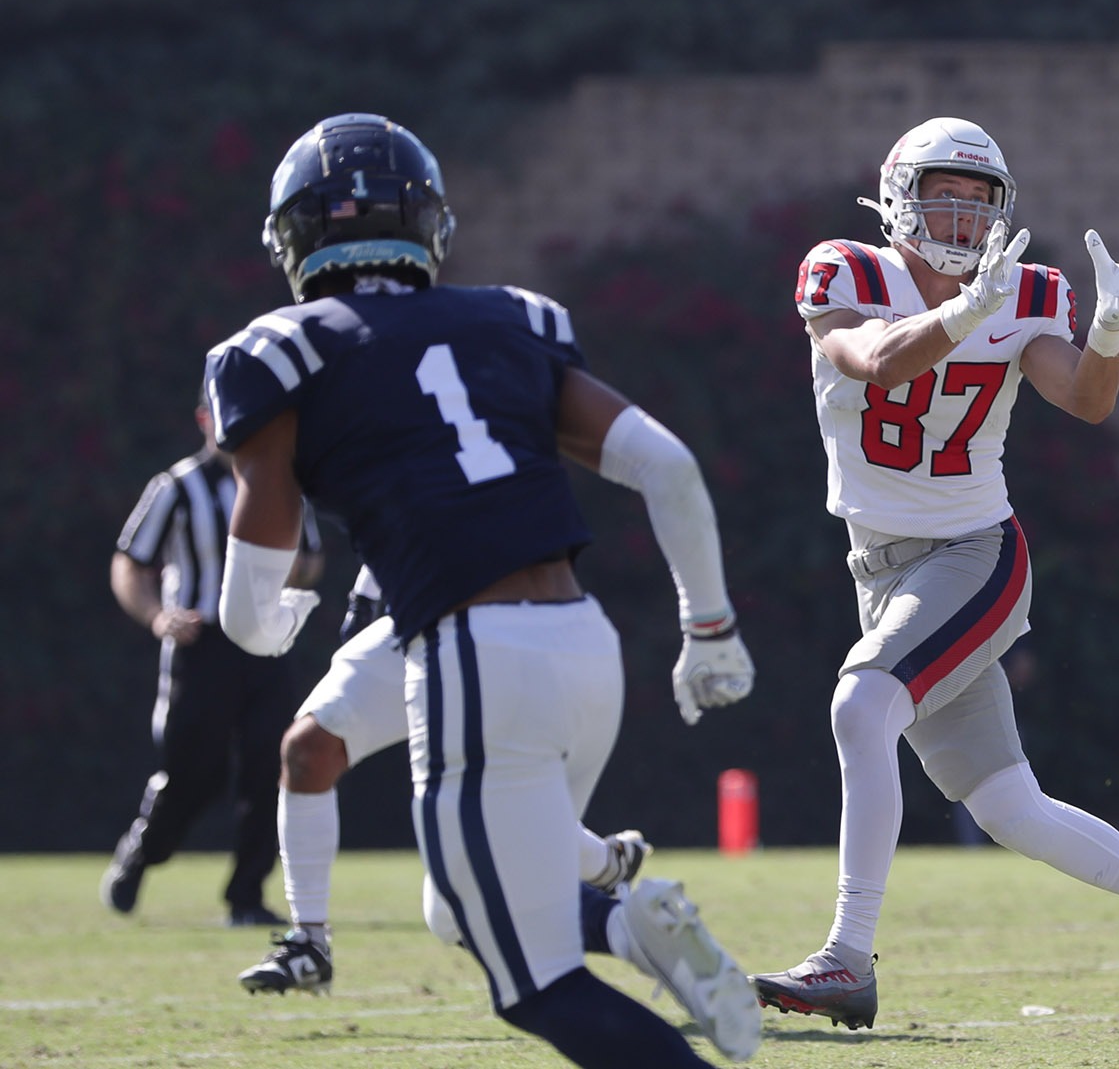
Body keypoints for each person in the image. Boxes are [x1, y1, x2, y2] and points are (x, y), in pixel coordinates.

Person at [203, 113, 763, 1066]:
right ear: (430, 225)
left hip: (472, 659)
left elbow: (249, 617)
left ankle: (633, 936)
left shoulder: (277, 349)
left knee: (535, 984)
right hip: (586, 651)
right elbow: (666, 465)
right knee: (460, 908)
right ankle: (637, 925)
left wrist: (280, 615)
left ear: (294, 236)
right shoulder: (512, 318)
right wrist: (709, 628)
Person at [749, 116, 1119, 1031]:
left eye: (977, 198)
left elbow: (1083, 398)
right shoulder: (844, 267)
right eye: (942, 193)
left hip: (973, 554)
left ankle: (846, 956)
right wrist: (960, 312)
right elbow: (868, 362)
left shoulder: (1025, 290)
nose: (959, 216)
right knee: (1008, 808)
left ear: (1001, 210)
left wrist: (1107, 331)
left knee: (859, 704)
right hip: (878, 565)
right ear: (896, 195)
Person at [236, 564, 650, 999]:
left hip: (494, 625)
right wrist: (366, 590)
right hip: (413, 618)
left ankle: (609, 877)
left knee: (455, 895)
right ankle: (309, 941)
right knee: (307, 749)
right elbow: (386, 504)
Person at [102, 399, 325, 926]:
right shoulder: (175, 487)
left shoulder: (283, 484)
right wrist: (159, 618)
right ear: (206, 420)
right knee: (191, 774)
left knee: (269, 768)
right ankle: (143, 850)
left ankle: (246, 897)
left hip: (265, 643)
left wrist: (276, 568)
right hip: (200, 645)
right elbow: (129, 564)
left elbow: (312, 561)